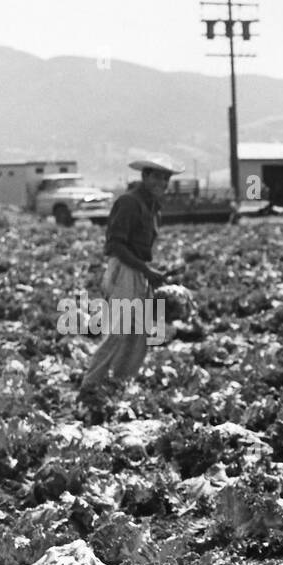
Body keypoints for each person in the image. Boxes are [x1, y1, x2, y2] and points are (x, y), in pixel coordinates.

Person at [78, 156, 180, 405]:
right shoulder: (129, 202)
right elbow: (115, 245)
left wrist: (152, 269)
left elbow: (140, 247)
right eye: (157, 177)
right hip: (124, 271)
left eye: (166, 178)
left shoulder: (151, 205)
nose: (162, 182)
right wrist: (146, 271)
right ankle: (90, 385)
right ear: (145, 177)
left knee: (140, 332)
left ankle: (119, 382)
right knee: (120, 330)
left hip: (138, 270)